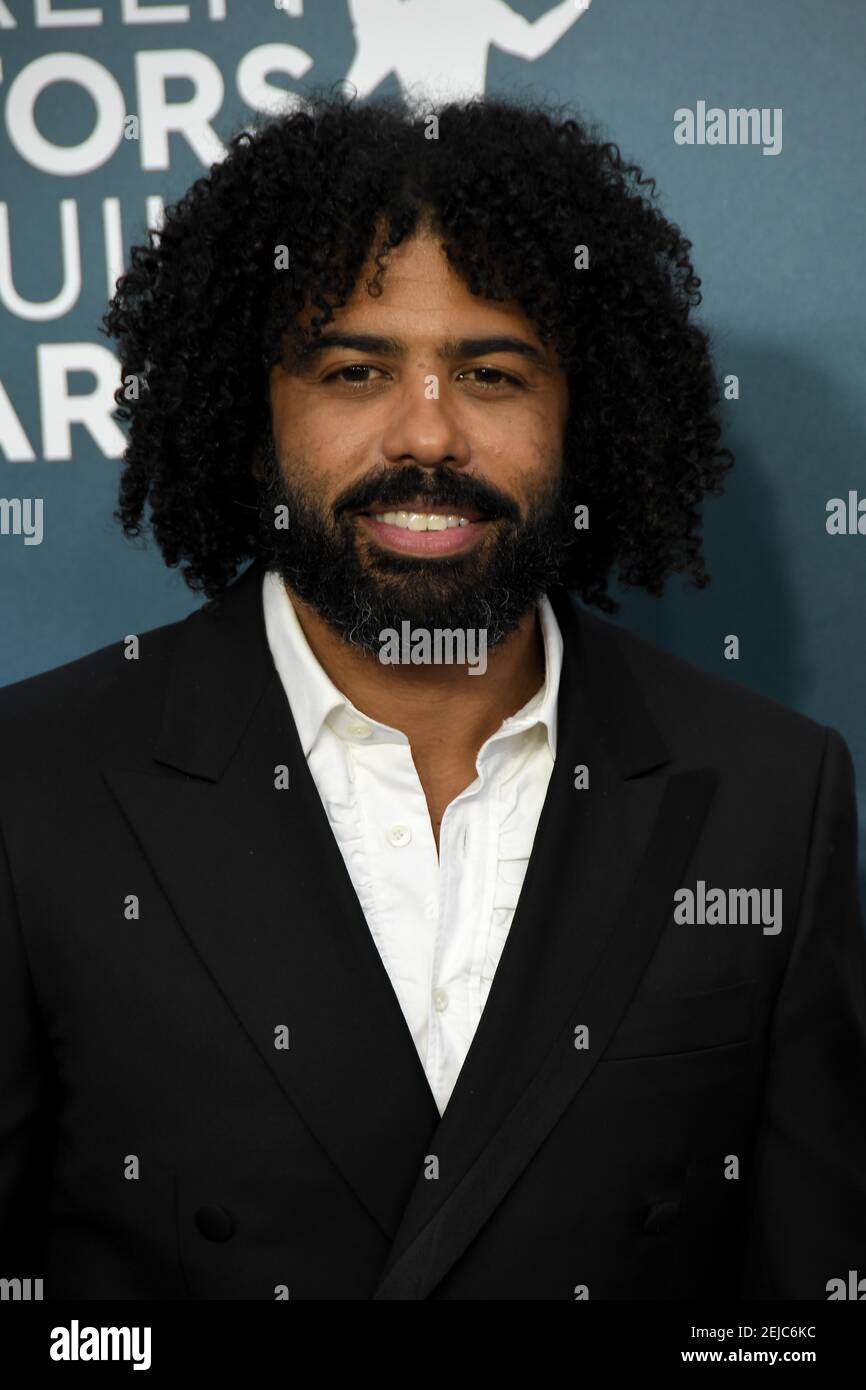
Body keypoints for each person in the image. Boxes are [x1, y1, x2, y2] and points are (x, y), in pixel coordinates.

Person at [1, 91, 865, 1301]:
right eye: (355, 370)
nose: (428, 435)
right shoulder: (32, 787)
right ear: (254, 426)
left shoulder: (772, 795)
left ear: (585, 422)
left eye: (492, 373)